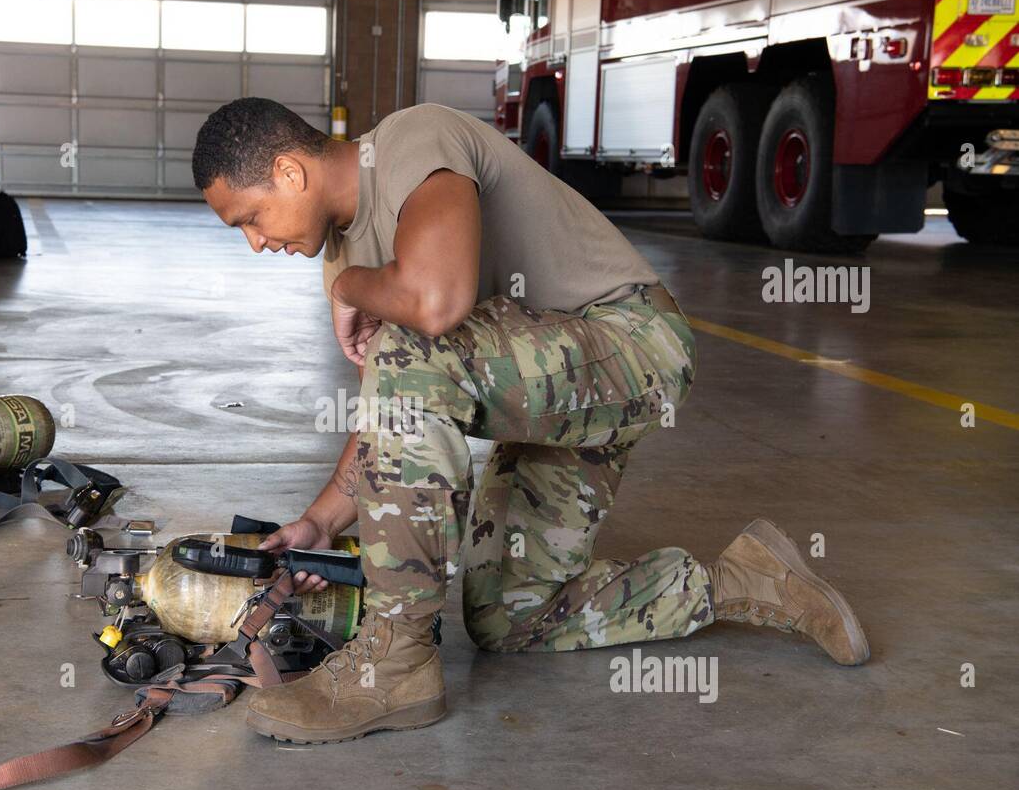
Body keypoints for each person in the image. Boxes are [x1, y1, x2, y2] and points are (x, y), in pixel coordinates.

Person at [192, 98, 869, 745]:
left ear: (289, 172)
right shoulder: (345, 256)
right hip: (552, 393)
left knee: (412, 343)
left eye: (250, 218)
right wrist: (320, 523)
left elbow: (437, 302)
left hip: (632, 346)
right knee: (508, 614)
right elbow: (391, 407)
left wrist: (350, 290)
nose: (256, 243)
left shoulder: (411, 141)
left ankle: (395, 662)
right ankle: (744, 580)